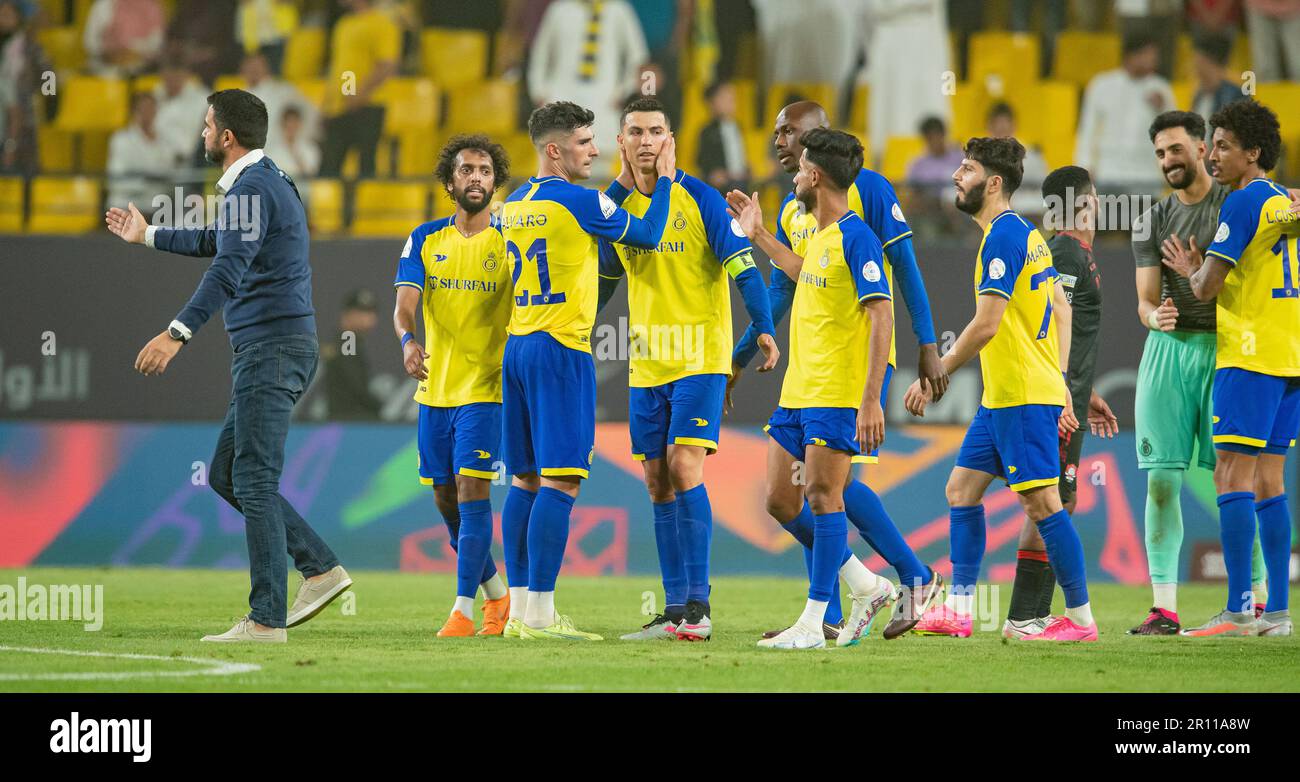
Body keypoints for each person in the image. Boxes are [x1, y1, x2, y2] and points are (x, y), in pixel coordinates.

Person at [104, 89, 351, 642]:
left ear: (227, 137)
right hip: (275, 345)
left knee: (255, 479)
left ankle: (267, 619)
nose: (201, 134)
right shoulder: (266, 183)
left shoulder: (253, 187)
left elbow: (226, 269)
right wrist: (147, 234)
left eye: (207, 125)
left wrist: (177, 333)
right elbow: (218, 241)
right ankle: (321, 567)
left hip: (272, 346)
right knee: (227, 474)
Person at [731, 100, 944, 642]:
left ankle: (821, 615)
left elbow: (895, 285)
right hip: (805, 373)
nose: (781, 145)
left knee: (829, 491)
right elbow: (799, 277)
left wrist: (922, 347)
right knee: (793, 497)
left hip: (850, 368)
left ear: (816, 148)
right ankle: (872, 586)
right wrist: (743, 349)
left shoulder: (864, 199)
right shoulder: (804, 221)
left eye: (790, 137)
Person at [595, 97, 778, 642]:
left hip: (700, 358)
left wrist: (764, 326)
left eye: (656, 131)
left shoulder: (699, 199)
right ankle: (675, 610)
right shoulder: (617, 205)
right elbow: (603, 279)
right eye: (635, 133)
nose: (646, 141)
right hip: (647, 365)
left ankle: (699, 606)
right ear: (622, 141)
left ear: (670, 139)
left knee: (683, 467)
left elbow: (744, 269)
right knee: (655, 480)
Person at [906, 136, 1098, 642]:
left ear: (993, 182)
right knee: (961, 490)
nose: (955, 176)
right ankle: (960, 610)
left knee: (1043, 504)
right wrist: (1059, 378)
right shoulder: (1028, 235)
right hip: (1004, 397)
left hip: (1021, 397)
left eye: (966, 169)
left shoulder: (1004, 238)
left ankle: (1081, 621)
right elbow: (1061, 307)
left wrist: (936, 373)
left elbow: (986, 324)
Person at [498, 100, 675, 640]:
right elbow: (647, 234)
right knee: (563, 480)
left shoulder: (513, 203)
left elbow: (587, 223)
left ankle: (521, 613)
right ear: (555, 150)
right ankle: (543, 617)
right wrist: (662, 181)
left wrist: (617, 186)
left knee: (524, 480)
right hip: (561, 349)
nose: (594, 150)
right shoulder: (577, 199)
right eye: (583, 142)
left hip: (519, 346)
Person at [1128, 110, 1268, 634]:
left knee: (1234, 479)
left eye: (1176, 149)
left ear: (1203, 147)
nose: (1168, 161)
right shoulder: (1151, 218)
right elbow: (1143, 300)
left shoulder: (1235, 203)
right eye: (1160, 153)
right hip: (1167, 352)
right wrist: (1153, 315)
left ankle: (1254, 600)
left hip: (1226, 348)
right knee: (1161, 482)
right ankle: (1163, 608)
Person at [1160, 99, 1296, 638]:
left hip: (1249, 354)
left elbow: (1207, 287)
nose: (1211, 155)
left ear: (1253, 153)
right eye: (1211, 145)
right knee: (1271, 481)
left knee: (1229, 474)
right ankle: (1279, 614)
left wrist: (1194, 269)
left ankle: (1241, 607)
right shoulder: (1286, 202)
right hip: (1290, 358)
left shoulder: (1241, 205)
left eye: (1223, 146)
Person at [393, 134, 514, 637]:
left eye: (485, 171)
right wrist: (407, 340)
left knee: (471, 491)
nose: (477, 179)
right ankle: (499, 595)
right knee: (446, 499)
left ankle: (464, 610)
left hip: (486, 389)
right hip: (435, 390)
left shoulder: (511, 237)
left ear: (495, 180)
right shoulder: (425, 238)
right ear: (450, 182)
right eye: (467, 171)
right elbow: (404, 305)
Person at [1002, 165, 1119, 639]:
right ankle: (1028, 615)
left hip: (1065, 397)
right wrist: (1066, 393)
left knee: (1056, 502)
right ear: (1086, 201)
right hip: (1053, 401)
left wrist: (1084, 393)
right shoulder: (1066, 254)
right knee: (1052, 502)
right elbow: (1051, 327)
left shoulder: (1074, 253)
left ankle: (1028, 616)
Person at [526, 0, 648, 178]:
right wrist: (539, 92)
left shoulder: (619, 10)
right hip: (560, 100)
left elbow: (638, 58)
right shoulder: (560, 9)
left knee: (596, 174)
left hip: (603, 103)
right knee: (552, 169)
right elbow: (540, 53)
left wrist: (623, 92)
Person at [1074, 32, 1176, 195]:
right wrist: (1084, 167)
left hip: (1146, 177)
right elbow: (1087, 131)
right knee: (1109, 220)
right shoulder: (1101, 85)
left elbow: (1173, 134)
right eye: (1147, 55)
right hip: (1109, 173)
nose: (1153, 60)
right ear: (1130, 56)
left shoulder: (1162, 89)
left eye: (1154, 56)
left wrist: (1162, 109)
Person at [318, 0, 401, 179]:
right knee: (329, 169)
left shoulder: (382, 23)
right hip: (340, 106)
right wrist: (328, 103)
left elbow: (386, 65)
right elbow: (341, 67)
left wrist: (359, 95)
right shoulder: (343, 24)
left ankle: (364, 206)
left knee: (366, 168)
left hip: (369, 106)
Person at [106, 92, 174, 216]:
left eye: (151, 109)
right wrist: (151, 180)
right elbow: (118, 180)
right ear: (134, 112)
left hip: (158, 207)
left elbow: (170, 174)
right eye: (143, 109)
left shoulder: (165, 141)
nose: (147, 113)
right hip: (126, 206)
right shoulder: (121, 140)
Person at [321, 288, 382, 421]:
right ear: (346, 315)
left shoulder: (349, 339)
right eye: (361, 312)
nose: (368, 318)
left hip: (348, 421)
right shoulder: (347, 339)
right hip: (349, 421)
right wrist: (377, 405)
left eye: (370, 312)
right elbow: (355, 386)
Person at [240, 51, 319, 147]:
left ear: (266, 67)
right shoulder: (237, 98)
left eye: (257, 66)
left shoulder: (284, 91)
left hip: (282, 154)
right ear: (242, 70)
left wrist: (298, 144)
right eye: (249, 66)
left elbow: (311, 114)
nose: (253, 70)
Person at [986, 102, 1048, 213]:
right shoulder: (980, 158)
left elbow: (1044, 193)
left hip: (1025, 212)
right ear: (989, 126)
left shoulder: (1030, 156)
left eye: (1004, 123)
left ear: (1013, 125)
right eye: (997, 124)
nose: (1001, 128)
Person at [82, 0, 165, 76]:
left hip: (144, 71)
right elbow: (90, 42)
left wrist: (135, 54)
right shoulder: (104, 5)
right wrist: (110, 54)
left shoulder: (152, 7)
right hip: (107, 70)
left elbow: (158, 43)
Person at [696, 80, 751, 194]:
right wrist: (713, 173)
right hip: (722, 183)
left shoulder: (738, 127)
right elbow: (702, 161)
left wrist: (747, 170)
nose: (731, 102)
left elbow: (741, 157)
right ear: (713, 103)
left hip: (741, 180)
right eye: (725, 98)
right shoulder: (707, 132)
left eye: (732, 98)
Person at [1189, 32, 1246, 129]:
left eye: (1198, 59)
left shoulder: (1235, 96)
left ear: (1208, 61)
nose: (1195, 64)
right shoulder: (1199, 95)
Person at [1244, 0, 1300, 81]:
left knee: (1297, 64)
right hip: (1259, 8)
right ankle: (1265, 93)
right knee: (1264, 67)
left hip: (1295, 8)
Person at [263, 106, 321, 179]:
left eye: (294, 124)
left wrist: (293, 150)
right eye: (288, 124)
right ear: (282, 125)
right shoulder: (272, 151)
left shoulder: (310, 148)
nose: (291, 128)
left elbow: (311, 175)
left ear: (299, 125)